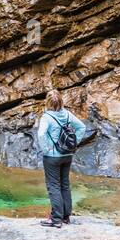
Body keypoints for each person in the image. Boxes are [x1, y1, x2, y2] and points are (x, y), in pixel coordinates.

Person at [36, 89, 87, 230]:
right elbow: (81, 127)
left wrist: (47, 149)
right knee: (64, 184)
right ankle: (66, 216)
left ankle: (56, 219)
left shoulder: (47, 117)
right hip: (67, 155)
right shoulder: (67, 114)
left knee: (53, 186)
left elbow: (41, 134)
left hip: (52, 156)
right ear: (61, 101)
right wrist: (73, 144)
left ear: (47, 102)